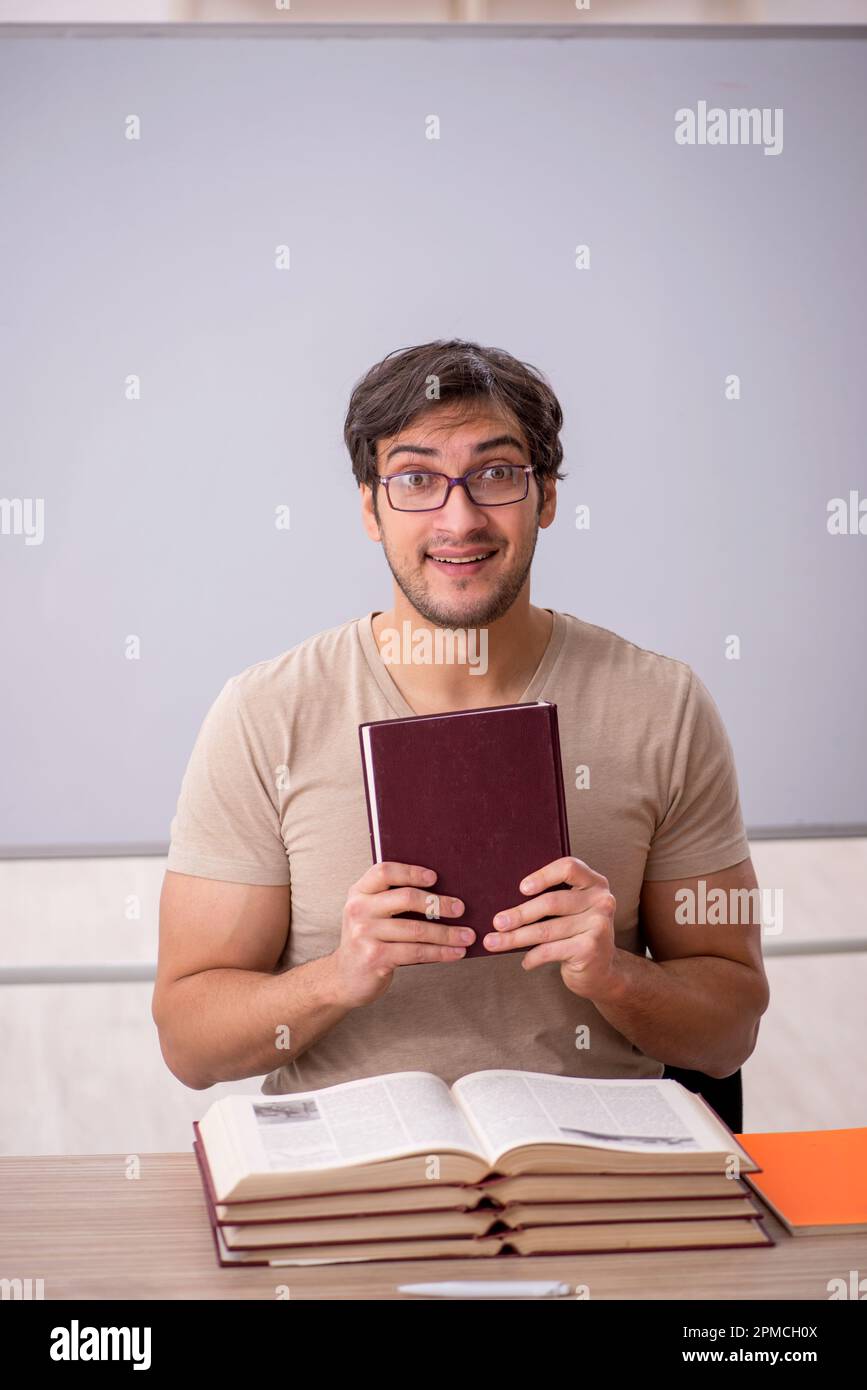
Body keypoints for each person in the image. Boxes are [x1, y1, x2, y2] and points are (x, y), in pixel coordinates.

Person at [152, 339, 769, 1094]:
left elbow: (728, 1031)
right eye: (415, 478)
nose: (460, 516)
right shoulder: (263, 713)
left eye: (496, 474)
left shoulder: (662, 705)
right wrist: (337, 977)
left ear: (544, 496)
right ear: (370, 508)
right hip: (352, 1178)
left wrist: (611, 977)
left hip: (590, 1177)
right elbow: (189, 1043)